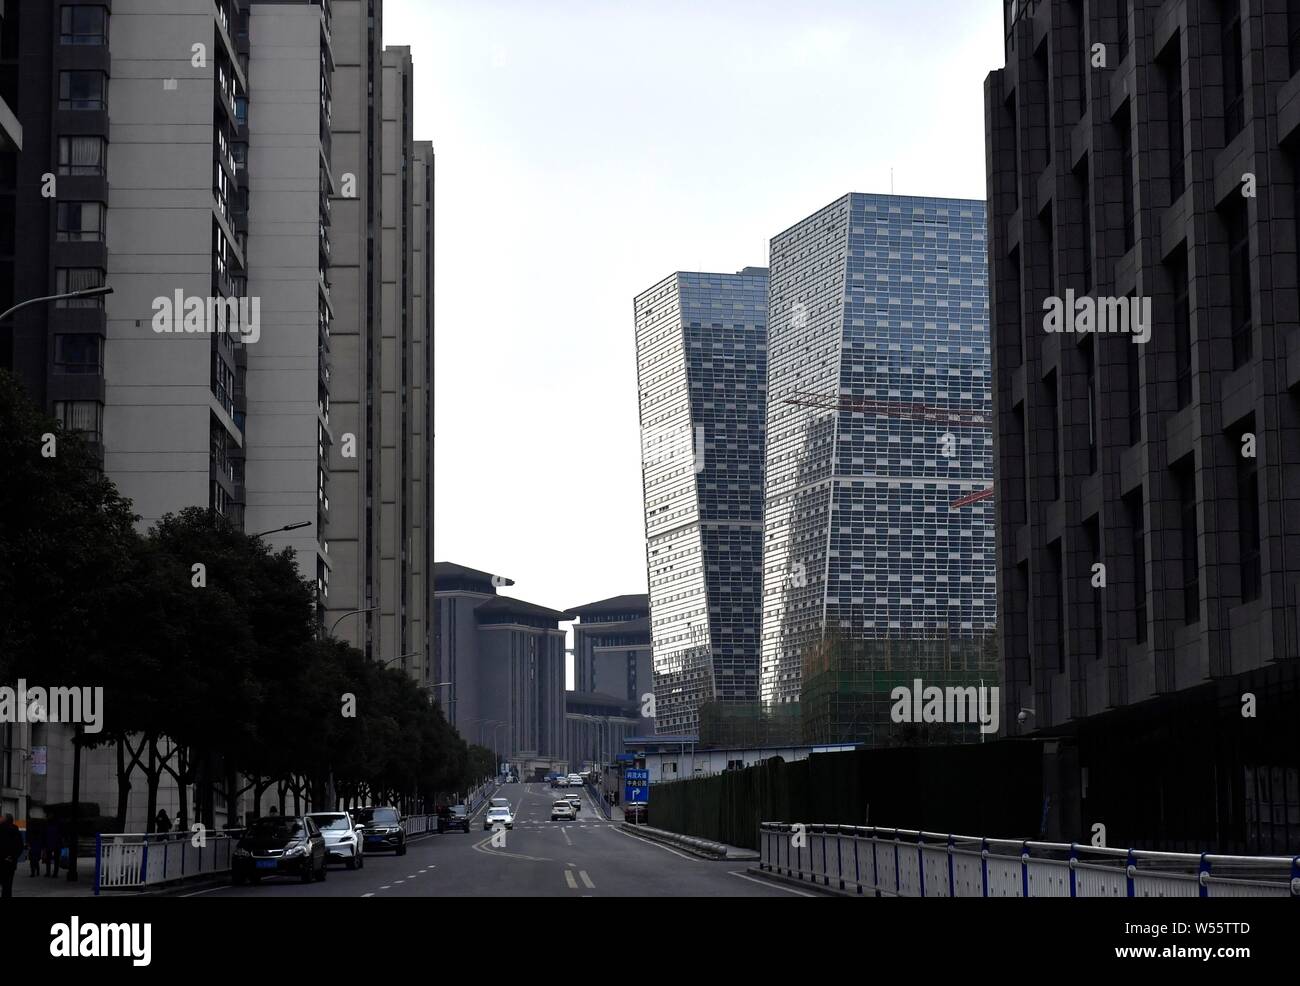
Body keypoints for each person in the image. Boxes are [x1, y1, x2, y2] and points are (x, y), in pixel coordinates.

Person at [0, 814, 23, 898]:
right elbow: (20, 847)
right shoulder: (16, 831)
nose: (0, 818)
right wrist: (13, 857)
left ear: (5, 820)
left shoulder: (1, 830)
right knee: (8, 886)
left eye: (2, 817)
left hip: (1, 862)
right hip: (11, 863)